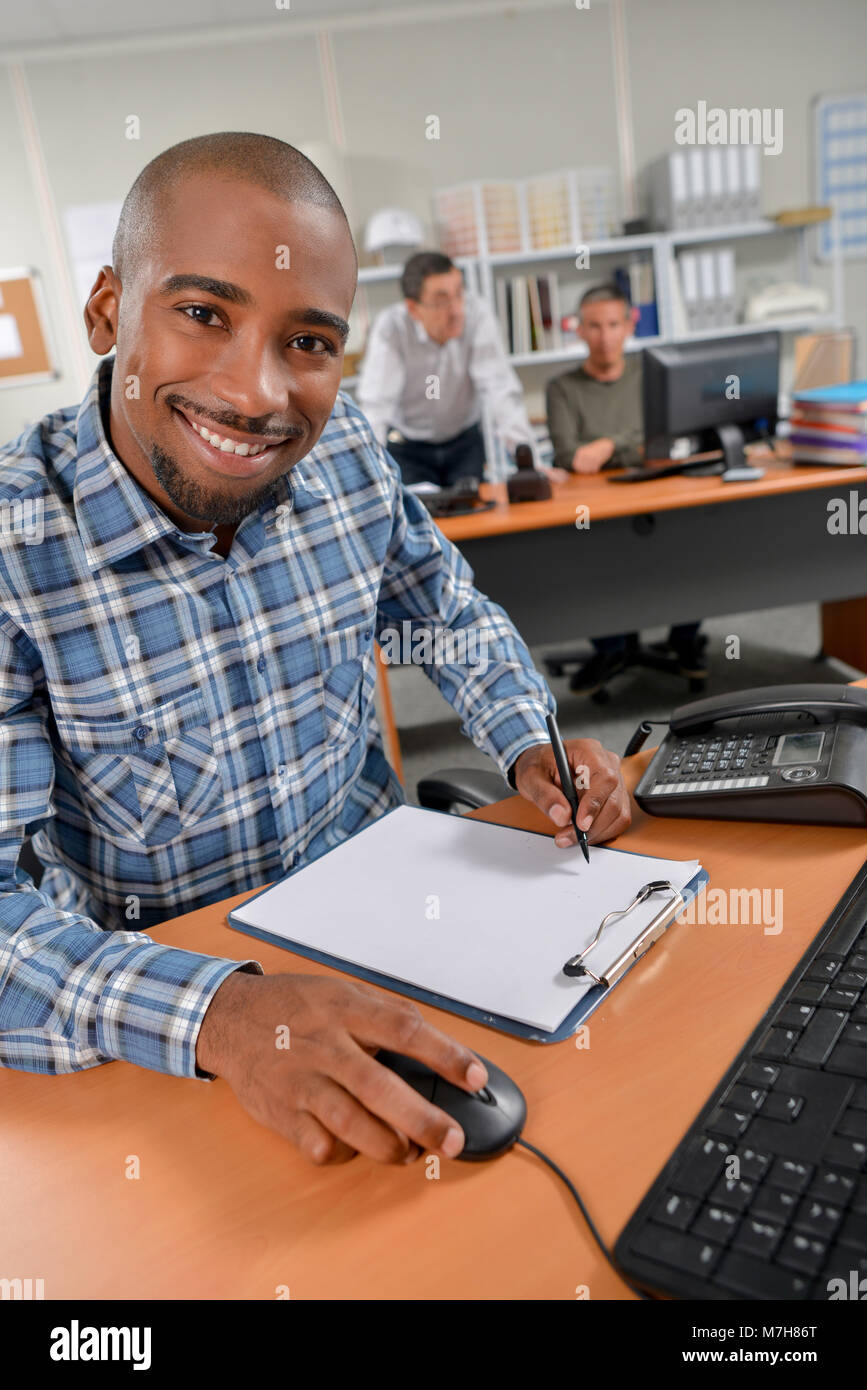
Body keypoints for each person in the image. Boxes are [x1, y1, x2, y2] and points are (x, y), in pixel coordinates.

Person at [0, 133, 631, 1168]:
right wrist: (222, 1017)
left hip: (406, 950)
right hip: (172, 1033)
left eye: (308, 342)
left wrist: (529, 743)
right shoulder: (16, 554)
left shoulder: (346, 462)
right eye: (204, 313)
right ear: (110, 313)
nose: (256, 394)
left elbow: (445, 607)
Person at [546, 283, 706, 693]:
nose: (605, 336)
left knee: (700, 537)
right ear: (579, 331)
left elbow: (665, 442)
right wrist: (631, 445)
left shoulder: (653, 378)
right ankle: (611, 647)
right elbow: (569, 456)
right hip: (594, 508)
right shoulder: (562, 388)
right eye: (594, 326)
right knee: (591, 555)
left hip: (656, 495)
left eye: (614, 324)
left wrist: (605, 446)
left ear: (629, 325)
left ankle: (684, 639)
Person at [357, 251, 541, 488]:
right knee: (418, 519)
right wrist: (369, 477)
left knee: (474, 518)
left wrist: (529, 463)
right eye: (442, 300)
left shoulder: (477, 314)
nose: (456, 310)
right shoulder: (391, 328)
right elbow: (377, 406)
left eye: (459, 294)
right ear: (413, 308)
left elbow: (499, 388)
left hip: (465, 442)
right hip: (408, 447)